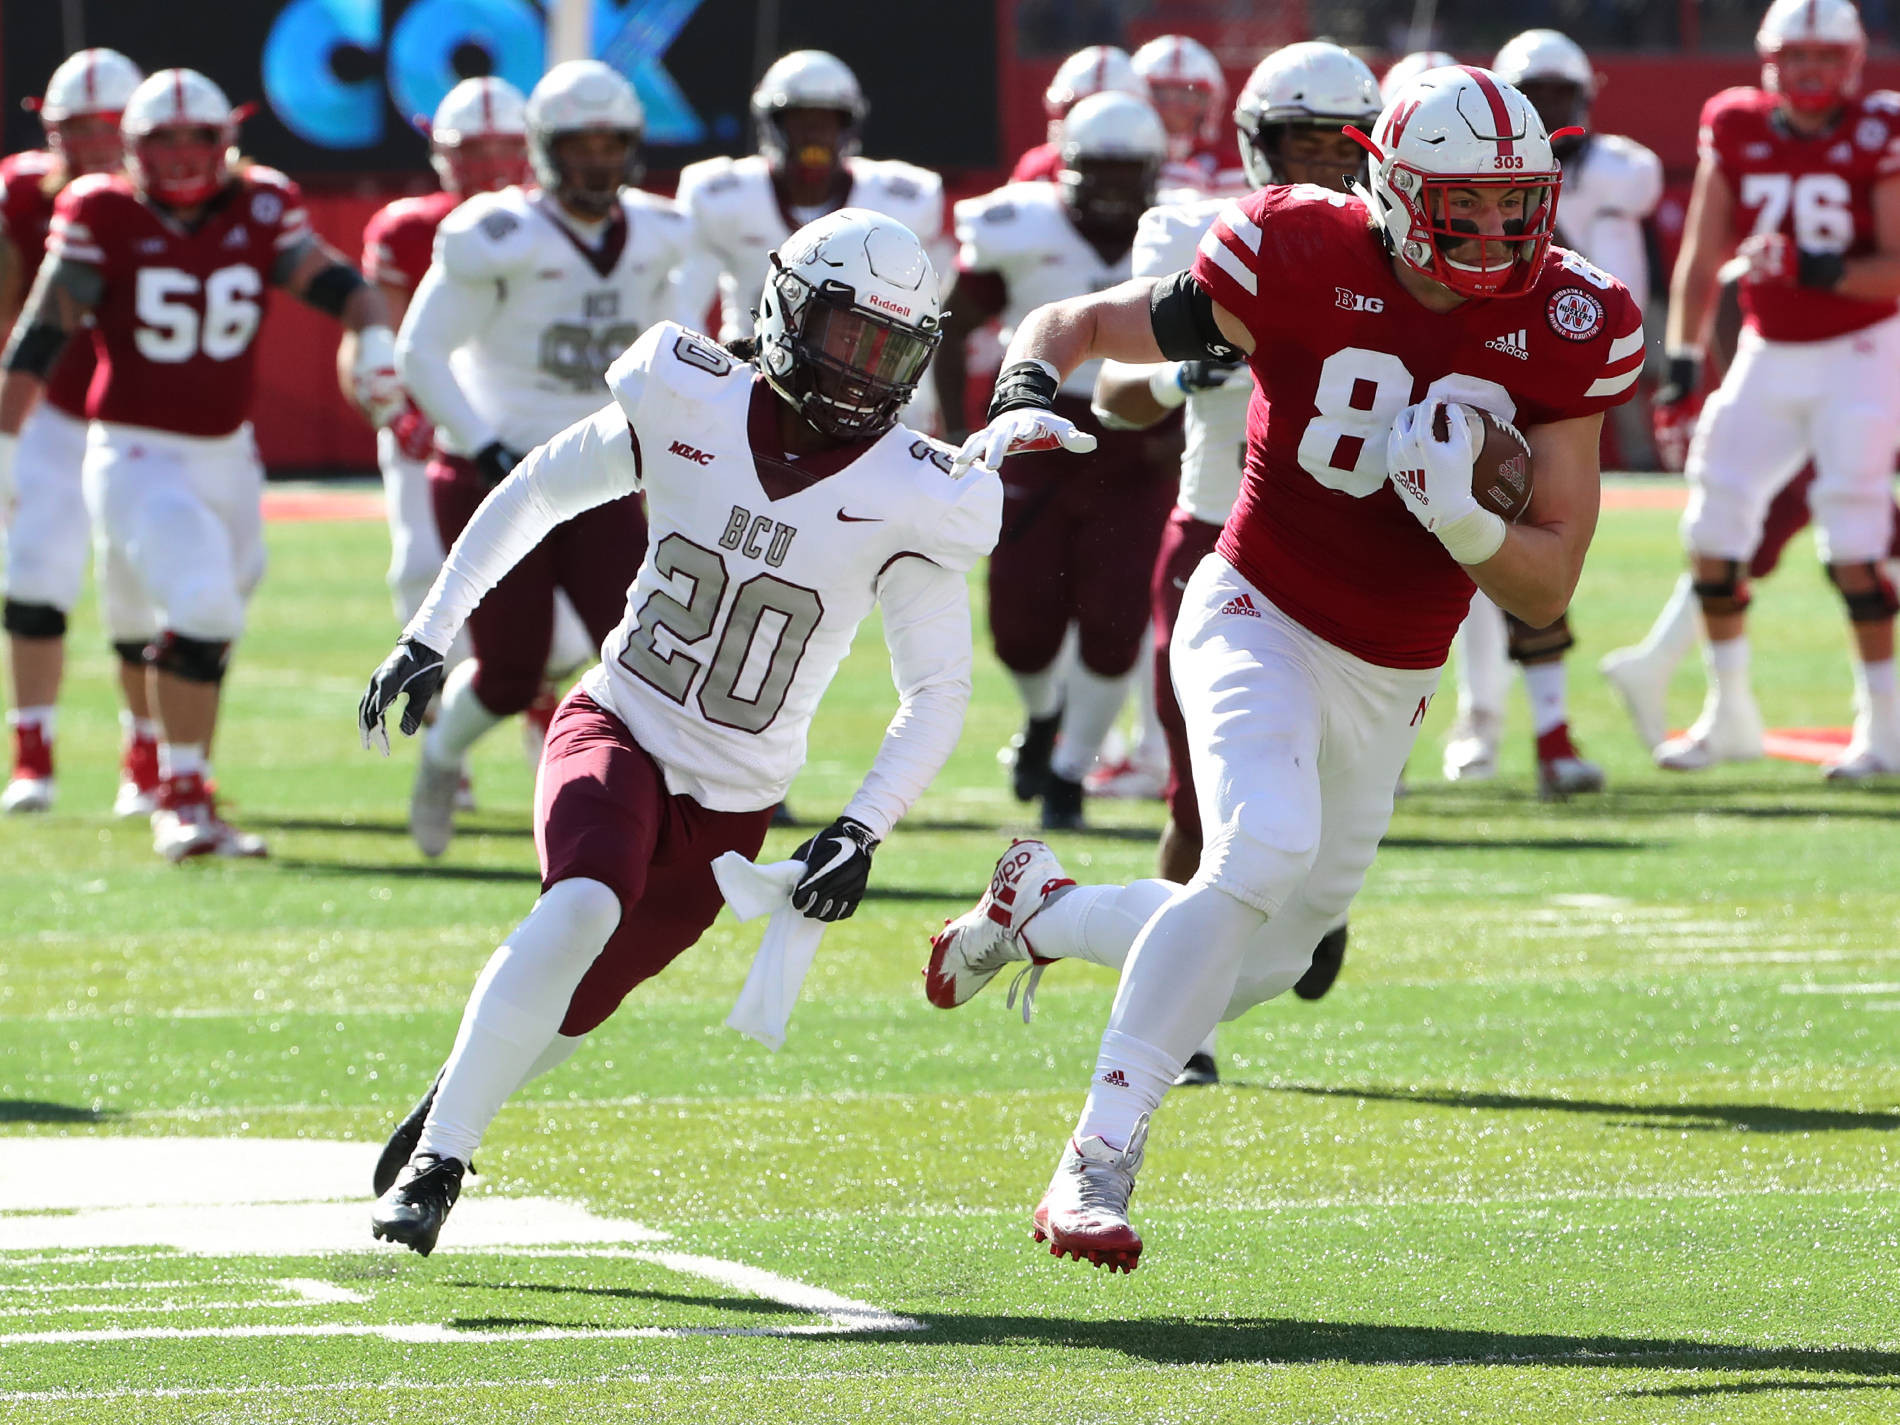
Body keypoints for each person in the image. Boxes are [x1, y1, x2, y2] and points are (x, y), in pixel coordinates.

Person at [930, 66, 1643, 1271]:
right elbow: (1091, 324)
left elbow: (1545, 583)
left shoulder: (1577, 316)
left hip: (1394, 671)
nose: (1492, 233)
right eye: (1461, 206)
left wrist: (1460, 518)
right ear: (1393, 188)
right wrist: (1020, 389)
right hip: (1256, 606)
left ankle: (1042, 910)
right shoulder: (1296, 245)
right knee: (1254, 850)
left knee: (1264, 956)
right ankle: (1094, 1161)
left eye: (1513, 205)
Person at [358, 209, 1000, 1256]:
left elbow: (937, 688)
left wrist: (864, 823)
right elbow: (535, 490)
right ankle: (442, 1162)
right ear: (787, 312)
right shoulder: (689, 395)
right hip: (620, 721)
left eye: (889, 351)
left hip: (736, 800)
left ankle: (460, 1088)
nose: (861, 373)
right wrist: (431, 631)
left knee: (575, 1007)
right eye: (848, 338)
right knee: (577, 911)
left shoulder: (916, 493)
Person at [0, 68, 399, 860]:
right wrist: (8, 441)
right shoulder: (101, 210)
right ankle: (181, 798)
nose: (181, 154)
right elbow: (42, 334)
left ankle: (169, 773)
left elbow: (347, 288)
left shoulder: (261, 205)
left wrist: (374, 342)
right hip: (135, 449)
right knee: (204, 603)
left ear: (229, 140)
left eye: (198, 137)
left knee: (214, 604)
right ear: (131, 148)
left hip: (227, 453)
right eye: (162, 139)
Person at [1082, 41, 1381, 1085]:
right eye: (1307, 143)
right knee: (1198, 797)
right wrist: (1181, 376)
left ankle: (1305, 909)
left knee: (1335, 802)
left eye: (1348, 145)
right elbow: (1112, 393)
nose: (1331, 167)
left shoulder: (1401, 236)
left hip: (1360, 544)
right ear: (1258, 142)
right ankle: (1185, 1031)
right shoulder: (1191, 229)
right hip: (1222, 534)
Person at [395, 60, 694, 857]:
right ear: (544, 148)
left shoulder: (662, 232)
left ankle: (639, 821)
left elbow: (680, 349)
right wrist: (483, 441)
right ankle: (441, 755)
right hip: (497, 473)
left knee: (638, 656)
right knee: (509, 672)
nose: (597, 160)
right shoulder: (498, 234)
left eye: (612, 143)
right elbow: (420, 352)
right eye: (581, 143)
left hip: (600, 476)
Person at [1611, 0, 1900, 778]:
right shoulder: (1735, 124)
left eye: (1822, 59)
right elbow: (1703, 259)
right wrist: (1678, 366)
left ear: (1851, 63)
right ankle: (1728, 711)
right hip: (1771, 349)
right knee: (1712, 523)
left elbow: (1896, 266)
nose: (1807, 74)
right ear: (1768, 61)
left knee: (1855, 535)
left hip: (1865, 347)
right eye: (1793, 58)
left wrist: (1816, 266)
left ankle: (1886, 723)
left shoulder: (1879, 128)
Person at [935, 91, 1179, 830]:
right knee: (1019, 620)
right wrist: (957, 429)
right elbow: (955, 325)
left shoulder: (1180, 230)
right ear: (1067, 168)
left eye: (1124, 172)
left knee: (1115, 618)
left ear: (1152, 174)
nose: (1109, 189)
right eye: (1096, 171)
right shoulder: (1021, 222)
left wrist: (1186, 419)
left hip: (1138, 433)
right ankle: (1045, 717)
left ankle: (1070, 771)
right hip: (1038, 432)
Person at [1441, 28, 1663, 796]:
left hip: (1557, 361)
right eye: (1529, 96)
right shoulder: (1461, 172)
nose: (1543, 111)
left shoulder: (1617, 169)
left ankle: (1549, 733)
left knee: (1537, 547)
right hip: (1458, 366)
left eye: (1557, 97)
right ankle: (1460, 731)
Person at [0, 48, 147, 816]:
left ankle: (149, 755)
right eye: (76, 128)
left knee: (142, 594)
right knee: (32, 576)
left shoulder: (175, 195)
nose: (91, 143)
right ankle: (33, 754)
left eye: (108, 127)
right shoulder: (19, 191)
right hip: (53, 410)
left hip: (143, 416)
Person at [675, 51, 945, 351]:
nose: (814, 136)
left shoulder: (903, 198)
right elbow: (682, 306)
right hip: (752, 371)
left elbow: (925, 320)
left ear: (847, 127)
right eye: (800, 120)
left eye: (826, 122)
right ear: (773, 125)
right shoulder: (719, 194)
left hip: (860, 376)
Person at [1012, 46, 1150, 184]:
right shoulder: (1040, 168)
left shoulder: (1162, 168)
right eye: (1074, 110)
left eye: (1112, 116)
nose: (1093, 126)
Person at [1131, 34, 1247, 195]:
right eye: (1160, 94)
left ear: (1210, 102)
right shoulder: (1121, 157)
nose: (1172, 108)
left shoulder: (1227, 168)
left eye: (1186, 95)